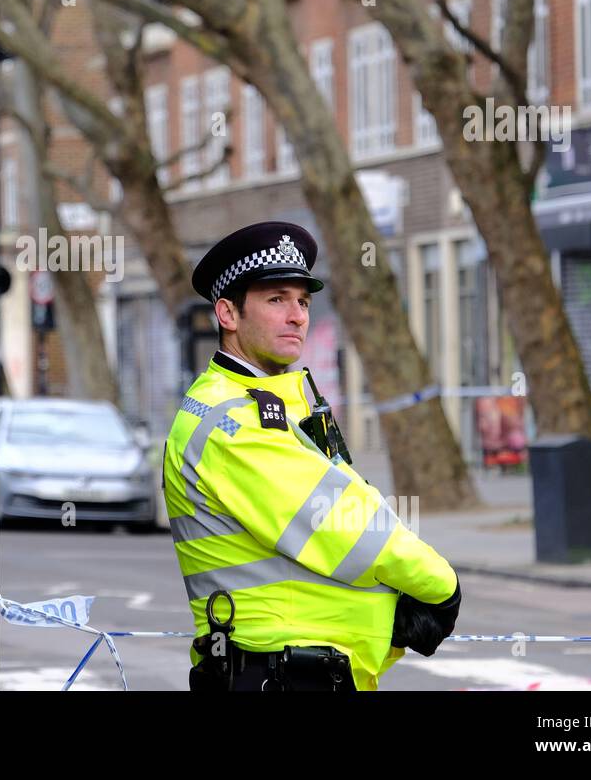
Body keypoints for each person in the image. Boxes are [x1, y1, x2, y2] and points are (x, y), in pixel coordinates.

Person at [163, 220, 461, 691]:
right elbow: (341, 522)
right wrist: (439, 586)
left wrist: (388, 625)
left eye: (303, 301)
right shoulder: (232, 421)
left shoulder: (273, 400)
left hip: (296, 671)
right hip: (275, 676)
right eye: (276, 299)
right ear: (228, 314)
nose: (298, 315)